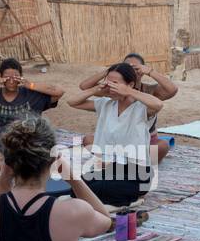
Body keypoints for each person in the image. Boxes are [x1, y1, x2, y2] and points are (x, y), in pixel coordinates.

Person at [63, 61, 165, 207]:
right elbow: (72, 102)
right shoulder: (105, 104)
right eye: (108, 82)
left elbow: (158, 105)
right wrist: (97, 89)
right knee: (78, 188)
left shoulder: (141, 107)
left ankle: (129, 198)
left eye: (115, 83)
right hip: (110, 169)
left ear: (130, 84)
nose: (110, 86)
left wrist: (129, 91)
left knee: (96, 190)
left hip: (136, 174)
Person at [0, 58, 64, 173]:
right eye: (7, 76)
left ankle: (8, 168)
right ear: (0, 76)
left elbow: (59, 91)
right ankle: (15, 170)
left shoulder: (32, 95)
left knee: (52, 156)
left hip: (27, 150)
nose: (11, 80)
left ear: (21, 76)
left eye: (15, 76)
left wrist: (31, 85)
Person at [78, 52, 178, 162]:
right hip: (116, 139)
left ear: (142, 71)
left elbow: (172, 90)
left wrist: (150, 71)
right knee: (88, 140)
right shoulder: (113, 90)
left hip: (142, 141)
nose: (131, 71)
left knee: (162, 146)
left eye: (136, 68)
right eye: (127, 67)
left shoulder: (149, 91)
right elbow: (84, 87)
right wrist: (112, 70)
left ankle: (124, 160)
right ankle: (118, 159)